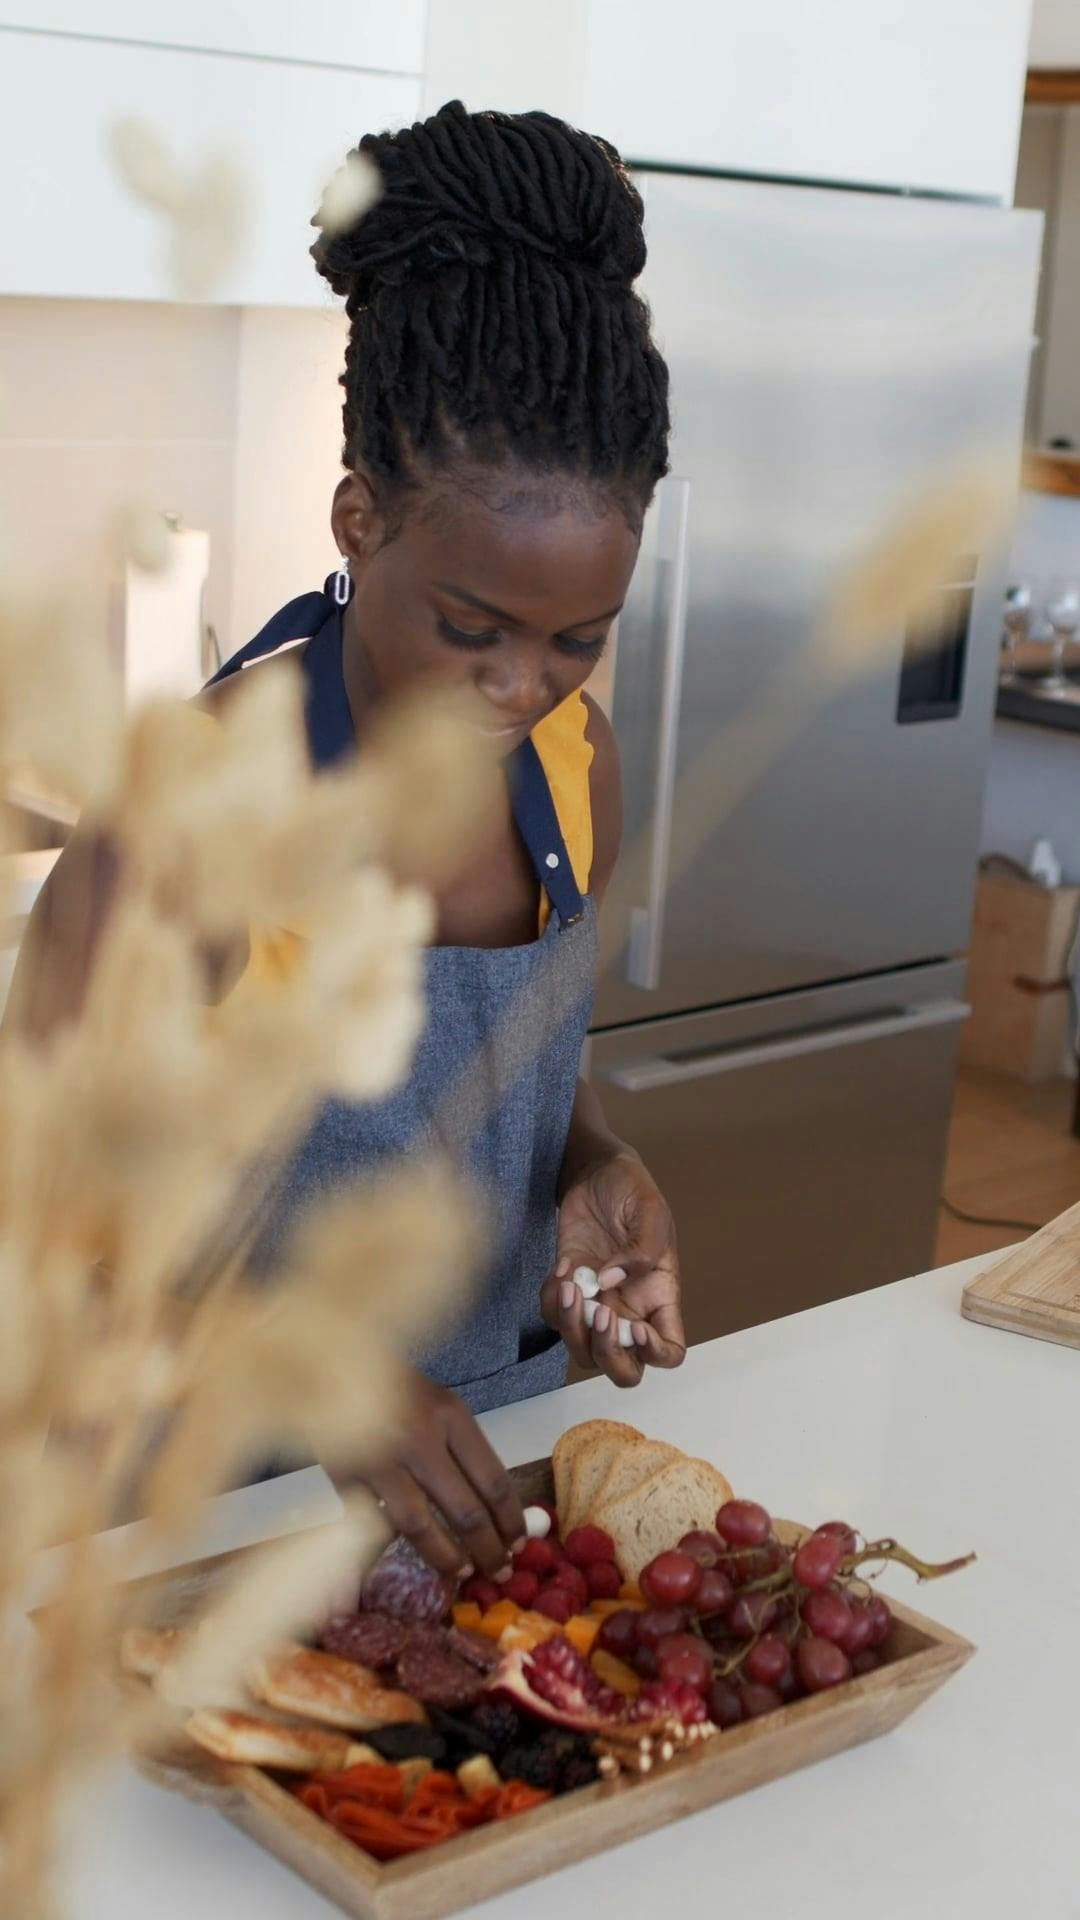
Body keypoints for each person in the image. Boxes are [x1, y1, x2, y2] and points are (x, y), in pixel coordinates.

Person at [15, 101, 684, 1581]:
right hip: (188, 1533)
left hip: (479, 1495)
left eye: (580, 637)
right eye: (473, 629)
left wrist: (594, 1161)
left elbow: (516, 1094)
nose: (523, 691)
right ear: (360, 518)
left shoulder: (579, 776)